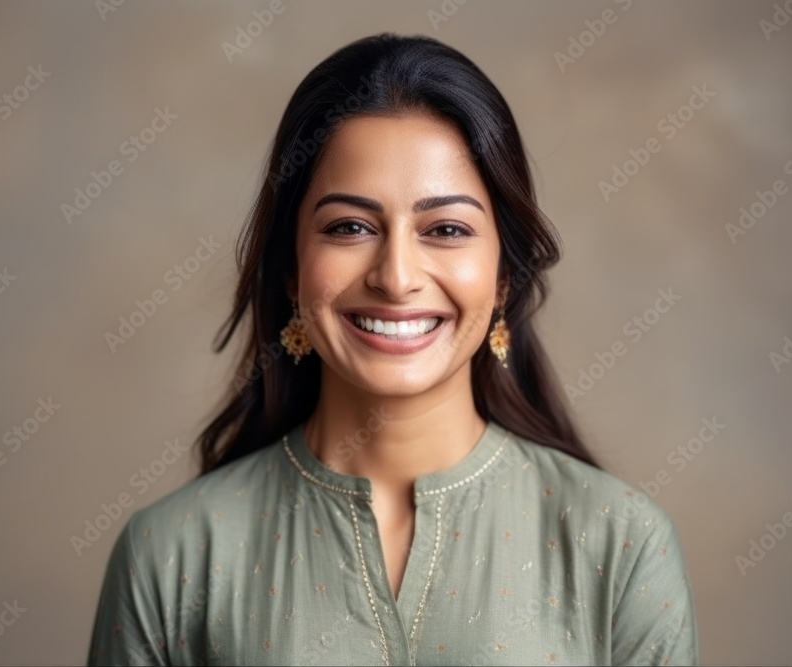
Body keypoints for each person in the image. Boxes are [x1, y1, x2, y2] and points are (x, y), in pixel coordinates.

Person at [87, 32, 699, 666]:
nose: (396, 276)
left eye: (447, 229)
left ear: (504, 278)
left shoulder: (623, 546)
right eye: (350, 227)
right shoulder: (170, 555)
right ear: (293, 269)